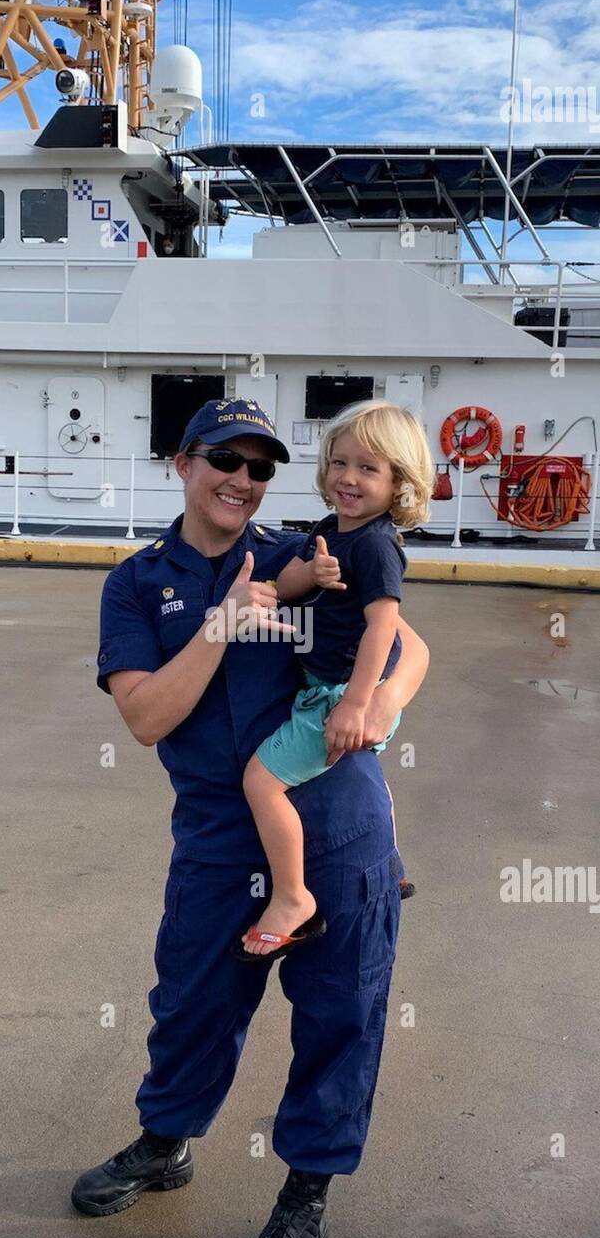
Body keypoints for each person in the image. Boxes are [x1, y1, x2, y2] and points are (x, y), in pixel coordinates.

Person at [71, 397, 430, 1238]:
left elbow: (410, 647)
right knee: (192, 1001)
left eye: (260, 466)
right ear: (182, 464)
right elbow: (148, 717)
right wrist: (222, 624)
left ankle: (305, 1193)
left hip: (337, 827)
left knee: (340, 1015)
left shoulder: (302, 554)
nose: (242, 480)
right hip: (219, 840)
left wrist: (373, 706)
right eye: (224, 460)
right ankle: (165, 1142)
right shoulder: (134, 582)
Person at [241, 401, 433, 957]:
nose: (348, 478)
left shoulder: (375, 546)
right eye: (339, 463)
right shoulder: (335, 531)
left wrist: (356, 704)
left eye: (368, 468)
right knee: (368, 777)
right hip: (334, 689)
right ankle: (389, 860)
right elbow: (292, 585)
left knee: (262, 782)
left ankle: (292, 897)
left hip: (338, 698)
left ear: (398, 481)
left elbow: (383, 629)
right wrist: (311, 573)